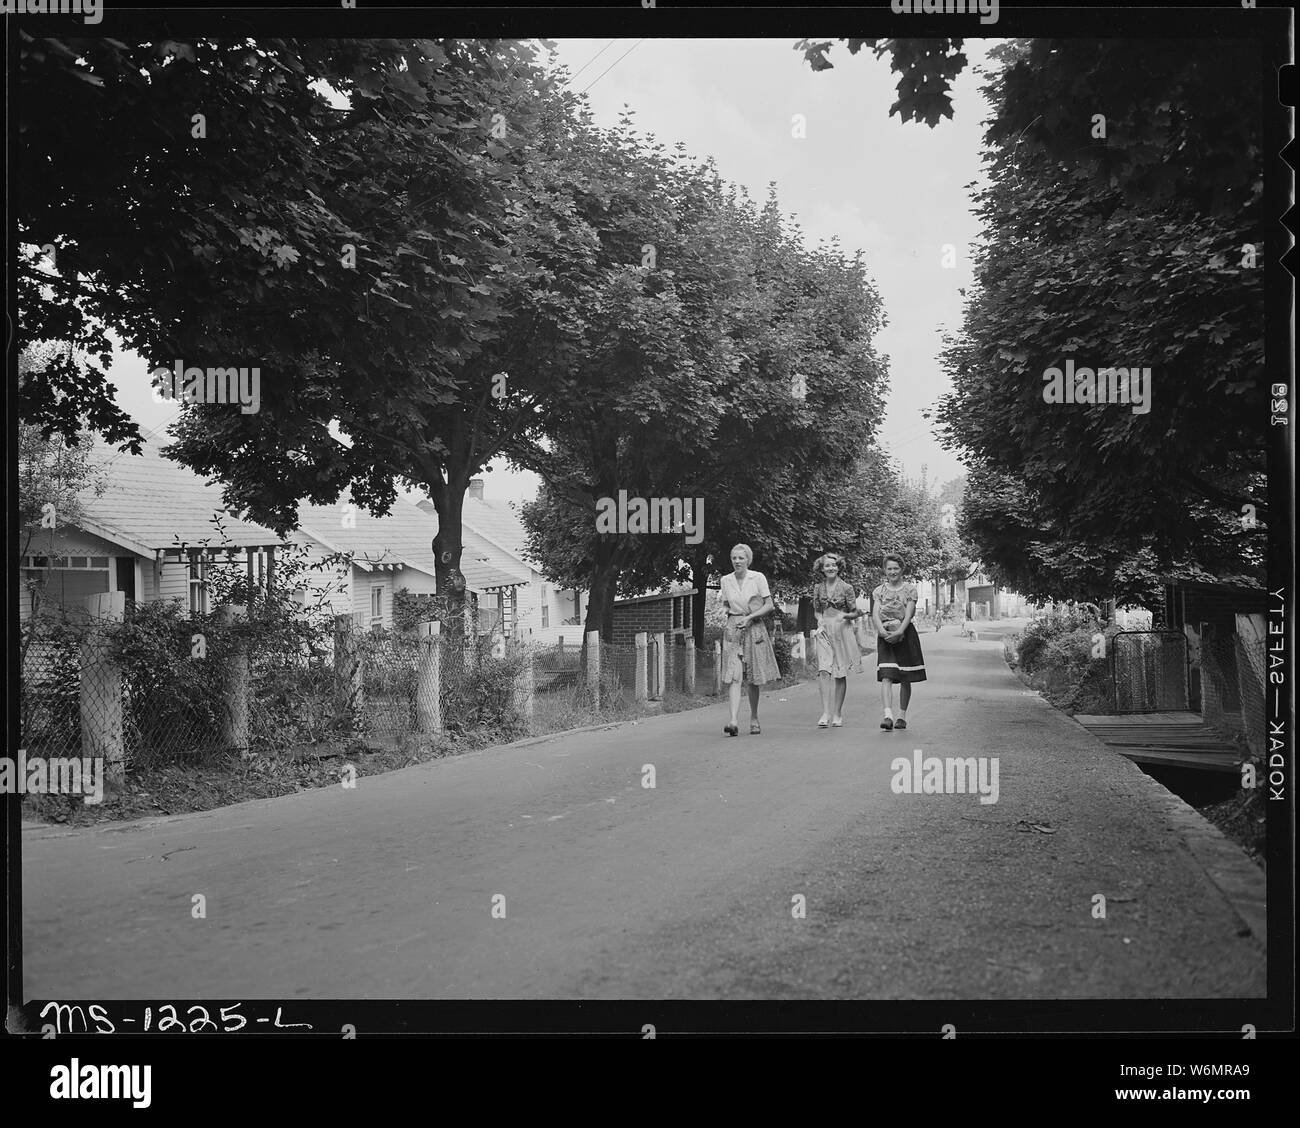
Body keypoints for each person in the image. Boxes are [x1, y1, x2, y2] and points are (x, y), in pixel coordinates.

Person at [716, 543, 781, 736]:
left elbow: (769, 605)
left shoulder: (758, 577)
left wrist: (750, 617)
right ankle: (734, 721)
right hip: (734, 627)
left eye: (741, 558)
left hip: (754, 626)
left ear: (748, 560)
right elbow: (727, 604)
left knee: (752, 677)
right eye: (734, 558)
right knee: (735, 675)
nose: (737, 561)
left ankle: (754, 717)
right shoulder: (725, 580)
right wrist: (725, 611)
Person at [871, 553, 927, 730]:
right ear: (885, 570)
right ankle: (887, 715)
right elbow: (875, 613)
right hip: (885, 635)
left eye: (896, 568)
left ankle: (901, 716)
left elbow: (909, 614)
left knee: (905, 675)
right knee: (886, 674)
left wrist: (900, 632)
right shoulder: (879, 591)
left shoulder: (909, 590)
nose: (892, 571)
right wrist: (881, 631)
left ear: (901, 569)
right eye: (889, 568)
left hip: (905, 634)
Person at [810, 553, 865, 728]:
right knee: (824, 670)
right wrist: (819, 618)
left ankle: (837, 713)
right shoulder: (818, 588)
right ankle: (825, 712)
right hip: (825, 631)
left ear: (838, 567)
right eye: (827, 566)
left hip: (842, 631)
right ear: (822, 568)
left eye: (833, 565)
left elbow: (855, 612)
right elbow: (817, 610)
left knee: (840, 673)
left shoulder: (847, 588)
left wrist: (844, 615)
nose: (830, 568)